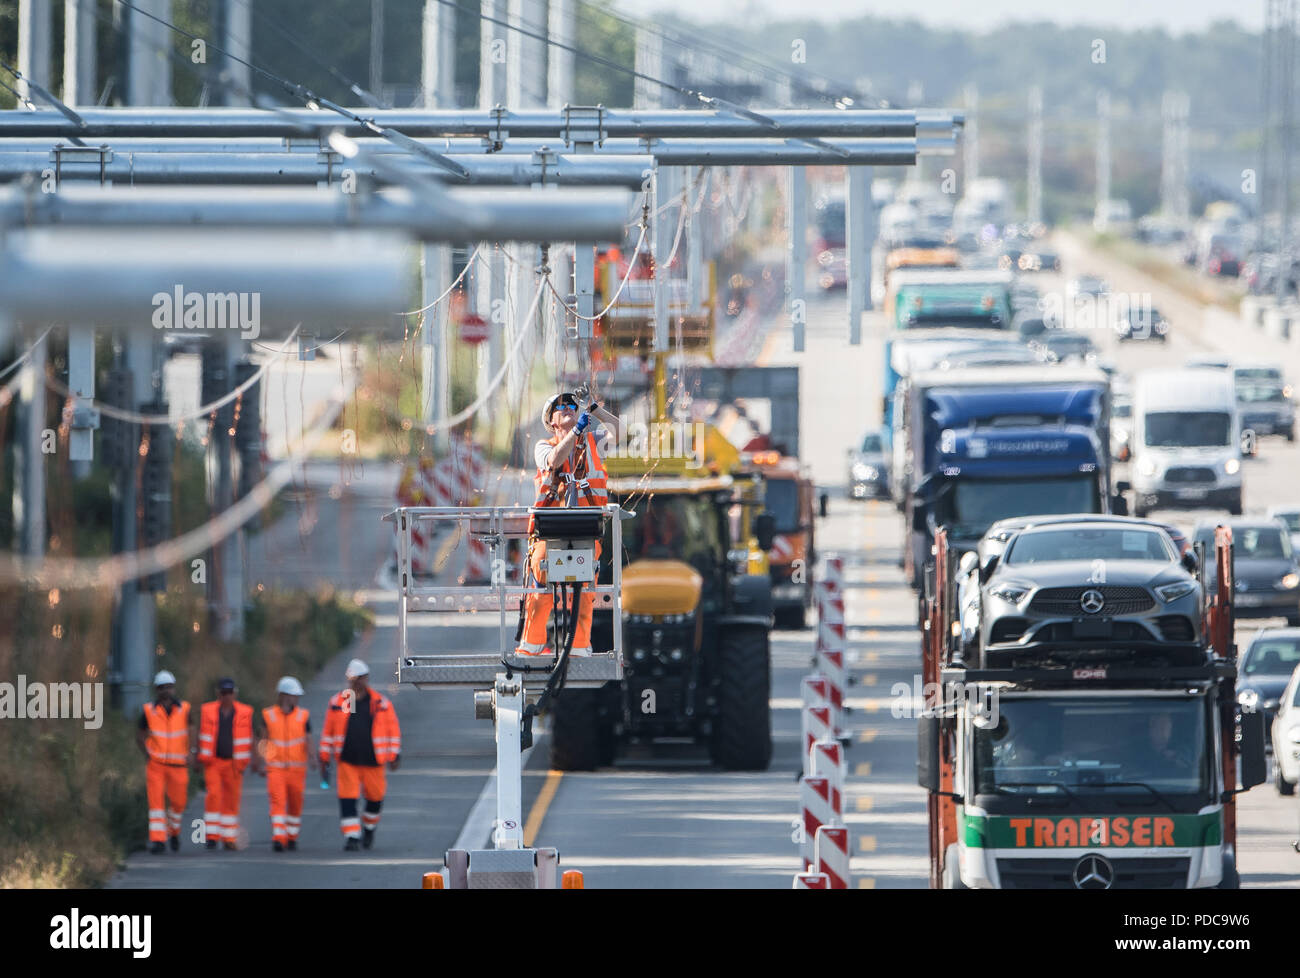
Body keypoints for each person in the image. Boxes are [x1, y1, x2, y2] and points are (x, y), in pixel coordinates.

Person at [515, 389, 621, 657]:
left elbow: (619, 431)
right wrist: (575, 432)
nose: (568, 409)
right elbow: (554, 461)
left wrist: (595, 409)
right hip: (550, 530)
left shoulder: (593, 443)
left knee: (584, 590)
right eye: (560, 407)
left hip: (587, 527)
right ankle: (532, 644)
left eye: (572, 406)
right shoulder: (544, 446)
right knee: (541, 578)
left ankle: (579, 646)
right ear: (551, 421)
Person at [320, 659, 401, 851]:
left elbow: (393, 731)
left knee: (375, 798)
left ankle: (369, 828)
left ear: (366, 678)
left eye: (359, 679)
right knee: (347, 798)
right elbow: (329, 731)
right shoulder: (340, 702)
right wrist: (324, 756)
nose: (356, 683)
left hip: (374, 760)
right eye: (353, 680)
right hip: (348, 759)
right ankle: (352, 837)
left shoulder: (381, 703)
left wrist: (394, 755)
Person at [136, 671, 193, 854]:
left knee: (179, 802)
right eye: (162, 688)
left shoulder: (184, 709)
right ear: (157, 690)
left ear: (173, 688)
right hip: (156, 764)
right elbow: (140, 734)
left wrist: (192, 752)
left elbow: (192, 730)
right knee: (156, 804)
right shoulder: (149, 711)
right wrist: (147, 753)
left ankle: (174, 831)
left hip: (179, 764)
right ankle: (158, 840)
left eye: (169, 687)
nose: (166, 691)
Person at [197, 678, 257, 850]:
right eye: (224, 693)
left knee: (231, 800)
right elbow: (199, 733)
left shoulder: (245, 712)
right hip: (213, 762)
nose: (227, 696)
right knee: (213, 796)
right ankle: (211, 836)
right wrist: (196, 756)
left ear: (234, 693)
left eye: (229, 692)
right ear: (218, 694)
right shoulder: (208, 710)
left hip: (234, 764)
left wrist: (255, 758)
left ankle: (228, 837)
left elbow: (251, 736)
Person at [260, 676, 312, 852]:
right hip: (275, 768)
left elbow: (308, 739)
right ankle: (278, 836)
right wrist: (262, 761)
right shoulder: (268, 715)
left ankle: (291, 836)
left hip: (297, 769)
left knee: (296, 803)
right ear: (283, 695)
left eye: (297, 696)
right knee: (278, 802)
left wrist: (313, 758)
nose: (296, 699)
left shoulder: (303, 716)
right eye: (293, 695)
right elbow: (263, 740)